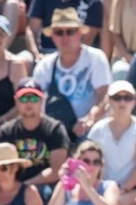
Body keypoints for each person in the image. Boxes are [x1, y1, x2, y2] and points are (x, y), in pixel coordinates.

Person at [31, 7, 111, 140]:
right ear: (52, 36)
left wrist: (89, 118)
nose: (65, 37)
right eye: (59, 32)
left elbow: (105, 96)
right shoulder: (44, 66)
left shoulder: (95, 58)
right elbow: (35, 102)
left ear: (80, 33)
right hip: (54, 132)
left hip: (88, 132)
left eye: (70, 31)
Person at [0, 78, 70, 188]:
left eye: (34, 98)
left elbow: (56, 171)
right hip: (11, 186)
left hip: (44, 185)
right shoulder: (6, 131)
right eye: (24, 98)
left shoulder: (55, 129)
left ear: (42, 101)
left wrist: (25, 186)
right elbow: (0, 168)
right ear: (16, 101)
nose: (29, 103)